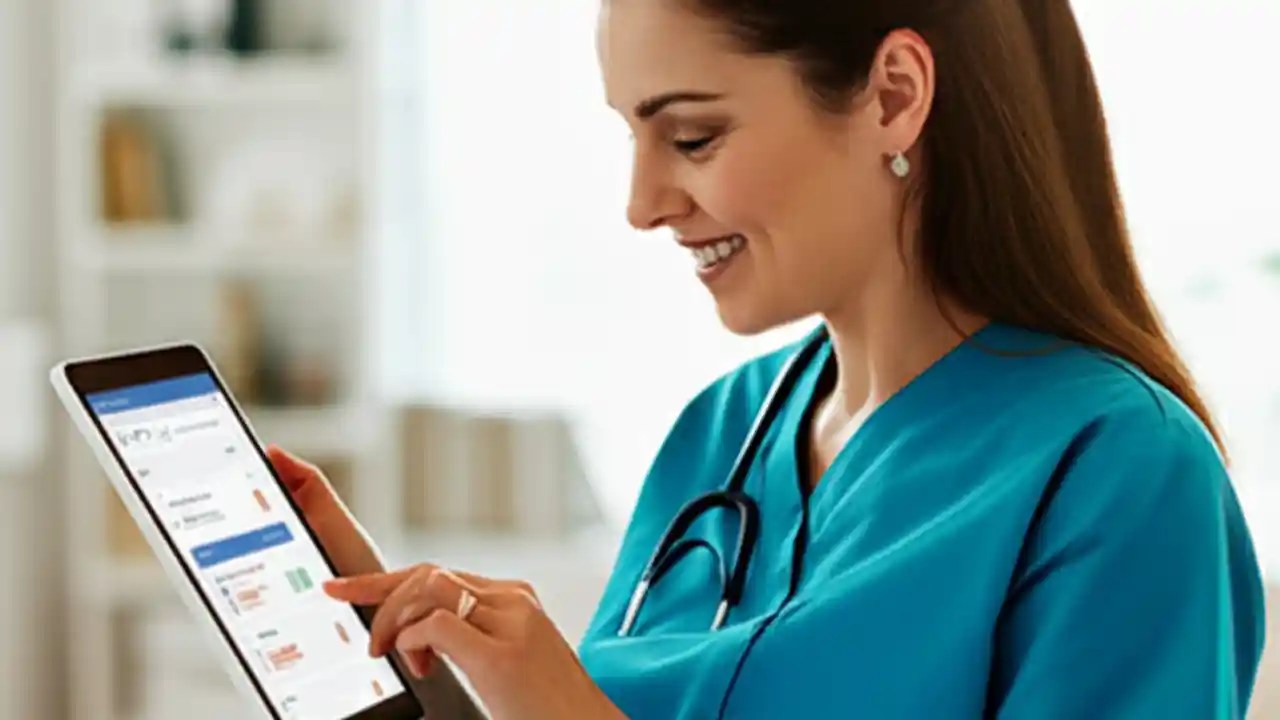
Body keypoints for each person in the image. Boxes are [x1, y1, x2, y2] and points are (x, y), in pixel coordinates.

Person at [269, 0, 1267, 717]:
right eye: (630, 137)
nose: (641, 201)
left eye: (691, 137)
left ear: (891, 94)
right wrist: (435, 673)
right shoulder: (725, 428)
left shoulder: (1115, 470)